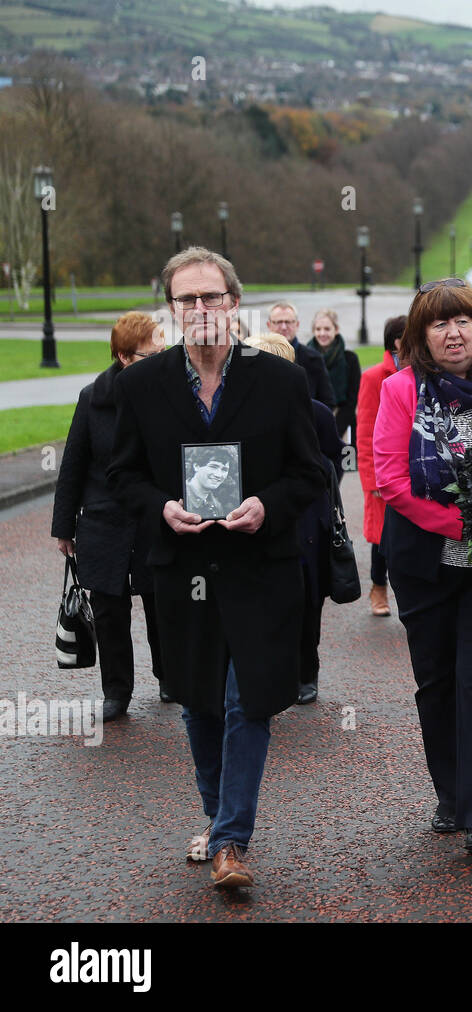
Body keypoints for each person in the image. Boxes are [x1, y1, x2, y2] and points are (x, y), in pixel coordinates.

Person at [108, 248, 324, 890]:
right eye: (186, 300)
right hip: (182, 569)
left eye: (211, 297)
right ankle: (217, 815)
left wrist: (268, 505)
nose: (200, 310)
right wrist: (162, 509)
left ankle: (231, 840)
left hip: (261, 566)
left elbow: (312, 472)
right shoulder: (141, 386)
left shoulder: (281, 380)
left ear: (234, 303)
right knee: (198, 704)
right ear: (172, 310)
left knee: (244, 702)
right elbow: (122, 474)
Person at [373, 279, 472, 853]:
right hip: (424, 560)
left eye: (462, 320)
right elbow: (391, 479)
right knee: (438, 682)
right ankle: (450, 793)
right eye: (439, 323)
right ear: (421, 335)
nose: (453, 332)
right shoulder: (401, 388)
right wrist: (466, 525)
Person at [52, 311, 169, 721]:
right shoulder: (92, 397)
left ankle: (168, 677)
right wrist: (64, 527)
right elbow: (73, 463)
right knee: (109, 612)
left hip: (156, 517)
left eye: (162, 351)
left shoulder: (169, 392)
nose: (160, 359)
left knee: (163, 604)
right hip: (104, 521)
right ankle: (116, 692)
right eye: (149, 354)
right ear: (123, 357)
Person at [242, 332, 343, 707]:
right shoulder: (240, 412)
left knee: (305, 602)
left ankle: (306, 673)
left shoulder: (313, 410)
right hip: (255, 519)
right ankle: (266, 673)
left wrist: (312, 492)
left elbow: (333, 458)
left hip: (305, 522)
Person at [358, 315, 404, 617]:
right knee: (382, 540)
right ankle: (378, 587)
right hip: (384, 472)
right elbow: (365, 431)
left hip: (415, 472)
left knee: (408, 539)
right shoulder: (375, 376)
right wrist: (372, 480)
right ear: (396, 341)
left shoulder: (426, 371)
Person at [266, 300, 336, 408]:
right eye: (278, 322)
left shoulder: (314, 358)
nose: (284, 327)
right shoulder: (261, 357)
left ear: (297, 324)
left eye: (288, 322)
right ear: (269, 325)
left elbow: (327, 402)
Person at [309, 308, 361, 442]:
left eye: (327, 329)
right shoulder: (305, 358)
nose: (322, 333)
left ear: (336, 329)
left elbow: (352, 400)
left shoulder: (350, 359)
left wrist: (334, 431)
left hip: (342, 424)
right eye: (318, 329)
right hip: (312, 425)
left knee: (344, 462)